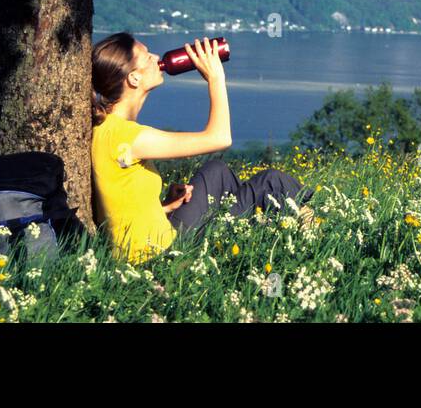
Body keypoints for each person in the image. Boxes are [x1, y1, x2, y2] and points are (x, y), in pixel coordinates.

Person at [91, 33, 313, 264]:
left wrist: (165, 207)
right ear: (134, 78)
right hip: (161, 257)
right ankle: (314, 232)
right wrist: (215, 79)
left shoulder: (109, 129)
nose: (156, 57)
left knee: (216, 171)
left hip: (152, 244)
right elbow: (220, 138)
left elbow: (120, 205)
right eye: (147, 57)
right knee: (272, 181)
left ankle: (251, 225)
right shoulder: (127, 137)